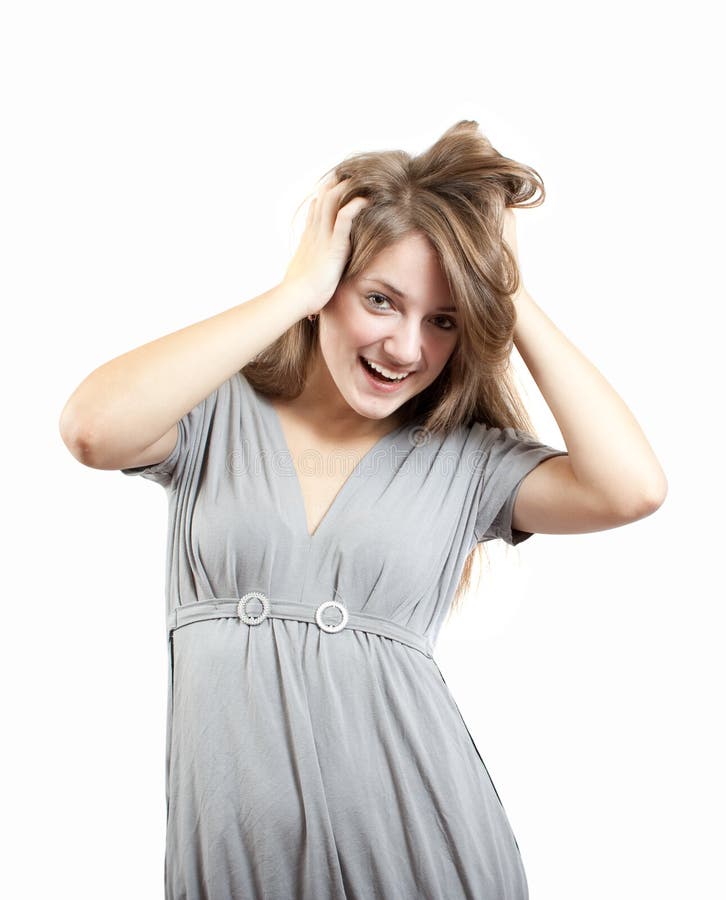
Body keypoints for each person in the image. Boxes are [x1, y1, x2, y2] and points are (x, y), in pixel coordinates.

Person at [58, 120, 667, 900]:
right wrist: (292, 293)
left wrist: (509, 290)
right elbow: (90, 428)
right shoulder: (214, 415)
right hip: (238, 862)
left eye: (444, 321)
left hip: (425, 847)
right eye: (381, 300)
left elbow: (632, 490)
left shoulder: (467, 461)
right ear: (329, 286)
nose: (406, 348)